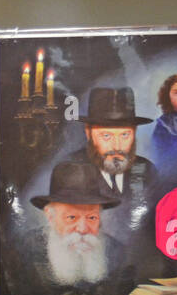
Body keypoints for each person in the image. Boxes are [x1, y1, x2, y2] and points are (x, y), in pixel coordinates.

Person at [0, 160, 134, 295]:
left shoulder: (118, 253)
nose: (82, 229)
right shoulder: (21, 252)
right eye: (72, 217)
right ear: (50, 216)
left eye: (92, 218)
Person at [62, 86, 160, 251]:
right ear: (88, 133)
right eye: (106, 136)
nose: (117, 146)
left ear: (134, 132)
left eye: (124, 135)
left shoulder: (147, 170)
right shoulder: (69, 169)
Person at [149, 74, 177, 187]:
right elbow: (159, 158)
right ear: (168, 96)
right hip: (172, 180)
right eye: (176, 92)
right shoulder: (163, 125)